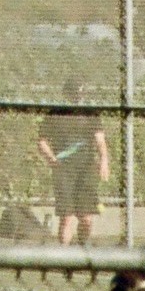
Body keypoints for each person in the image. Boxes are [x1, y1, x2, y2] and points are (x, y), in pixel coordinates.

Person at [36, 77, 108, 244]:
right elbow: (42, 141)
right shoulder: (55, 114)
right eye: (75, 93)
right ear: (67, 94)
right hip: (63, 170)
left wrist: (104, 161)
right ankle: (64, 258)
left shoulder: (91, 114)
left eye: (81, 93)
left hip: (86, 169)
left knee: (86, 219)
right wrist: (52, 159)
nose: (78, 96)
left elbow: (100, 141)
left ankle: (83, 250)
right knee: (66, 217)